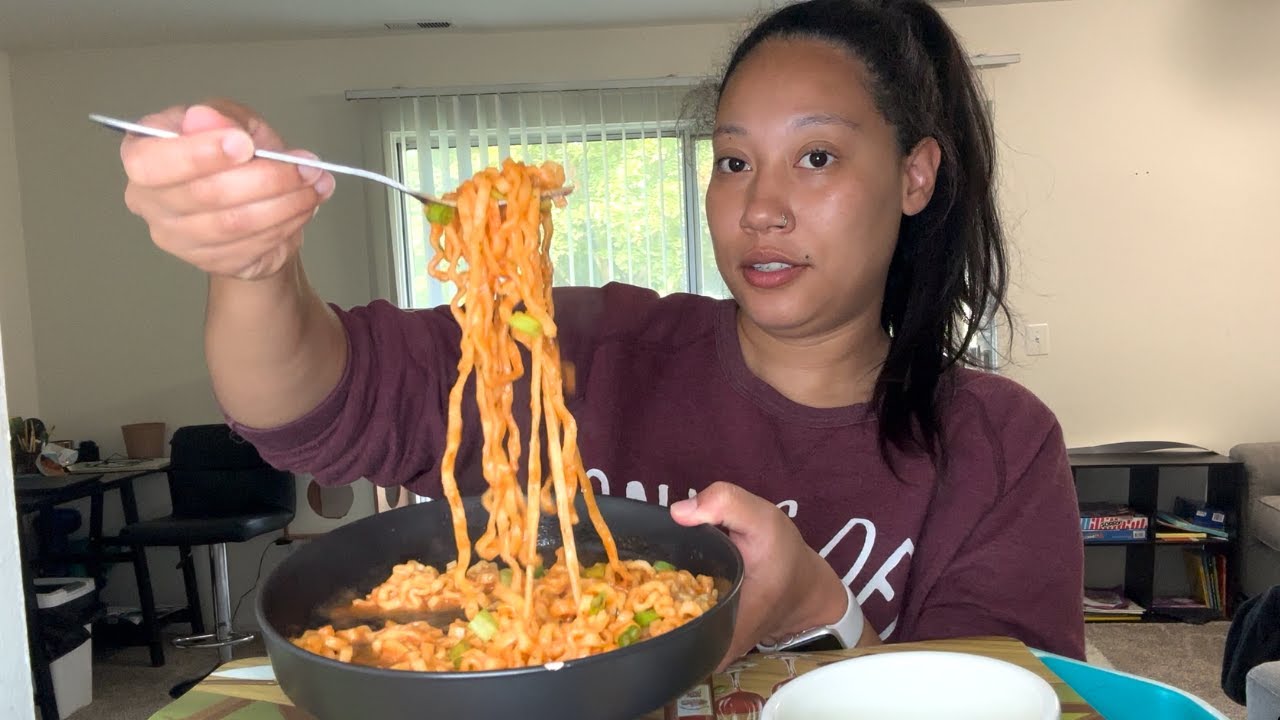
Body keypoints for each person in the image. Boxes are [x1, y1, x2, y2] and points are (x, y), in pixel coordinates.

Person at [116, 0, 1085, 666]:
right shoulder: (580, 346)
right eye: (734, 162)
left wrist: (821, 614)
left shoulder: (996, 445)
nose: (760, 209)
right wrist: (251, 264)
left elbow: (1008, 697)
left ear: (915, 176)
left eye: (817, 156)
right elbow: (305, 407)